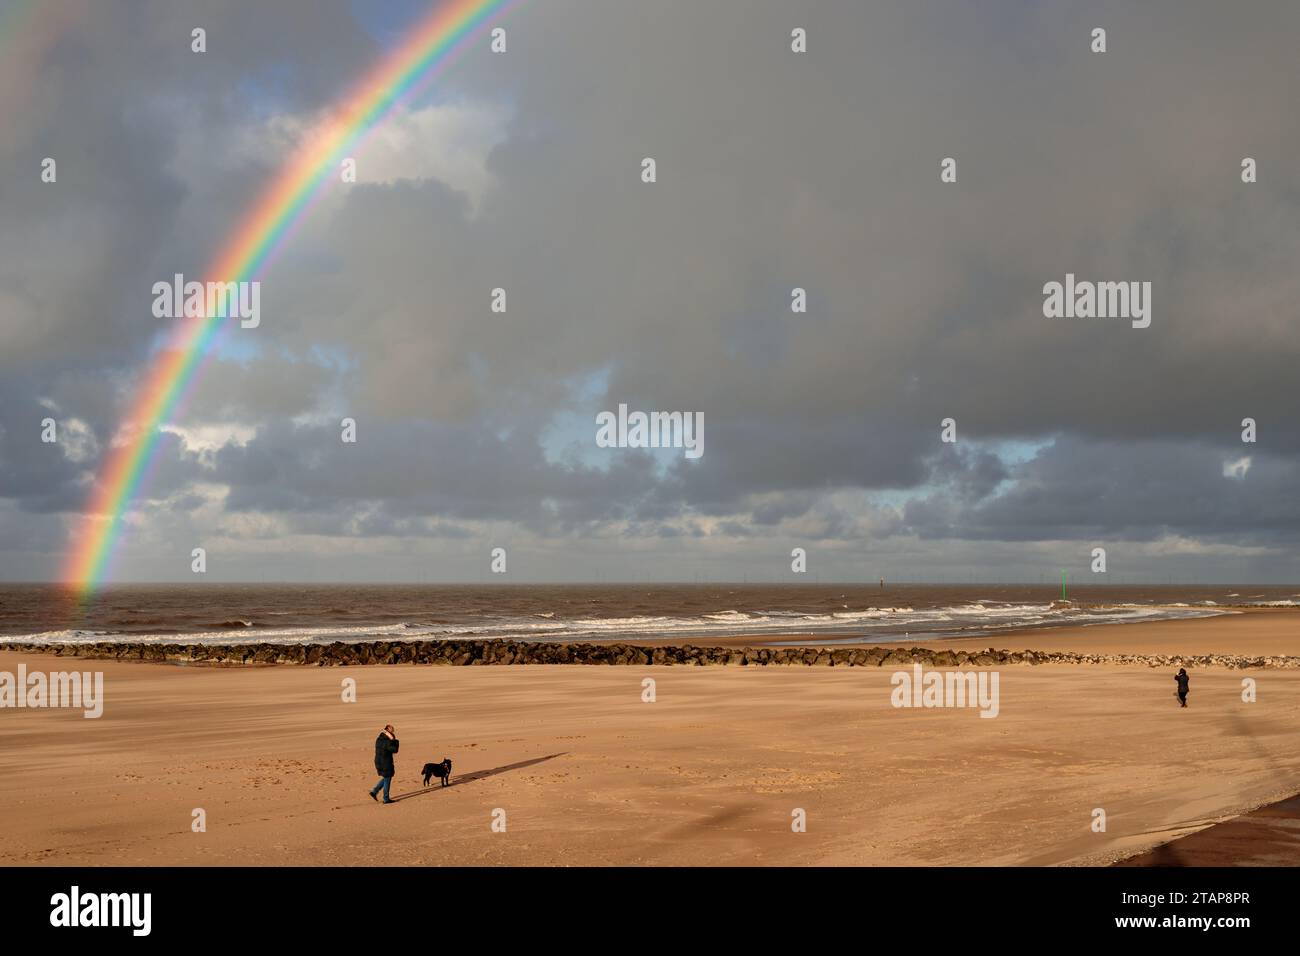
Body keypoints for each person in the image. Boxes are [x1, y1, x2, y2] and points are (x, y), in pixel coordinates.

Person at [369, 724, 400, 804]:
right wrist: (395, 741)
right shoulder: (387, 740)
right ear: (387, 730)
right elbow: (394, 750)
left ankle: (374, 791)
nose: (393, 729)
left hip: (379, 761)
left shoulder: (379, 738)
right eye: (391, 728)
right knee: (388, 777)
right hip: (385, 762)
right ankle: (386, 798)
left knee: (386, 777)